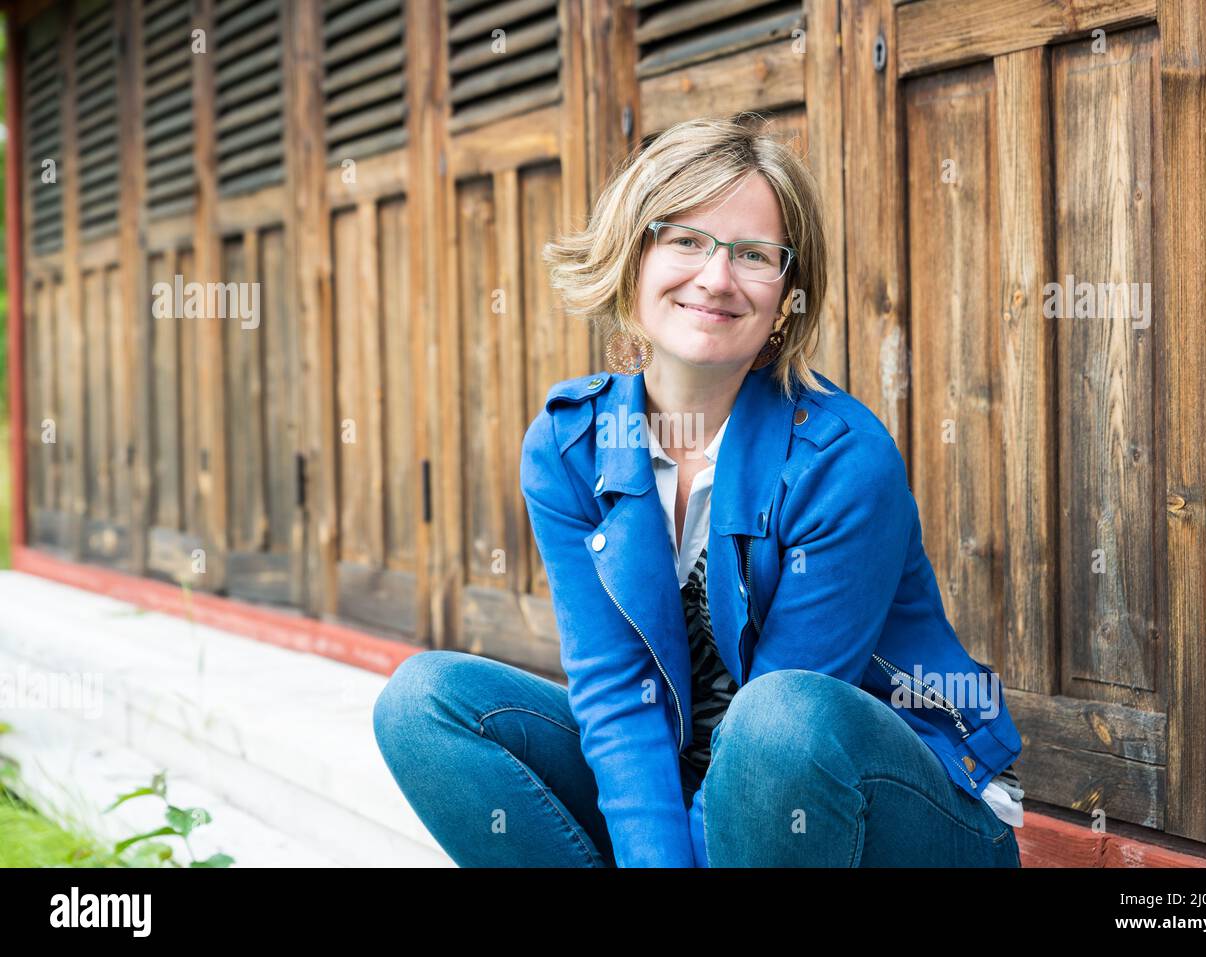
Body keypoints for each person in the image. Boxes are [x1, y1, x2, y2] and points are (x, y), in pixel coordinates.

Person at [373, 115, 1024, 867]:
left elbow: (780, 739)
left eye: (754, 254)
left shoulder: (842, 459)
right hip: (702, 789)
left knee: (772, 720)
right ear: (632, 253)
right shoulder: (572, 446)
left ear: (786, 294)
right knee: (424, 704)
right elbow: (619, 696)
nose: (716, 278)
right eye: (685, 239)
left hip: (890, 811)